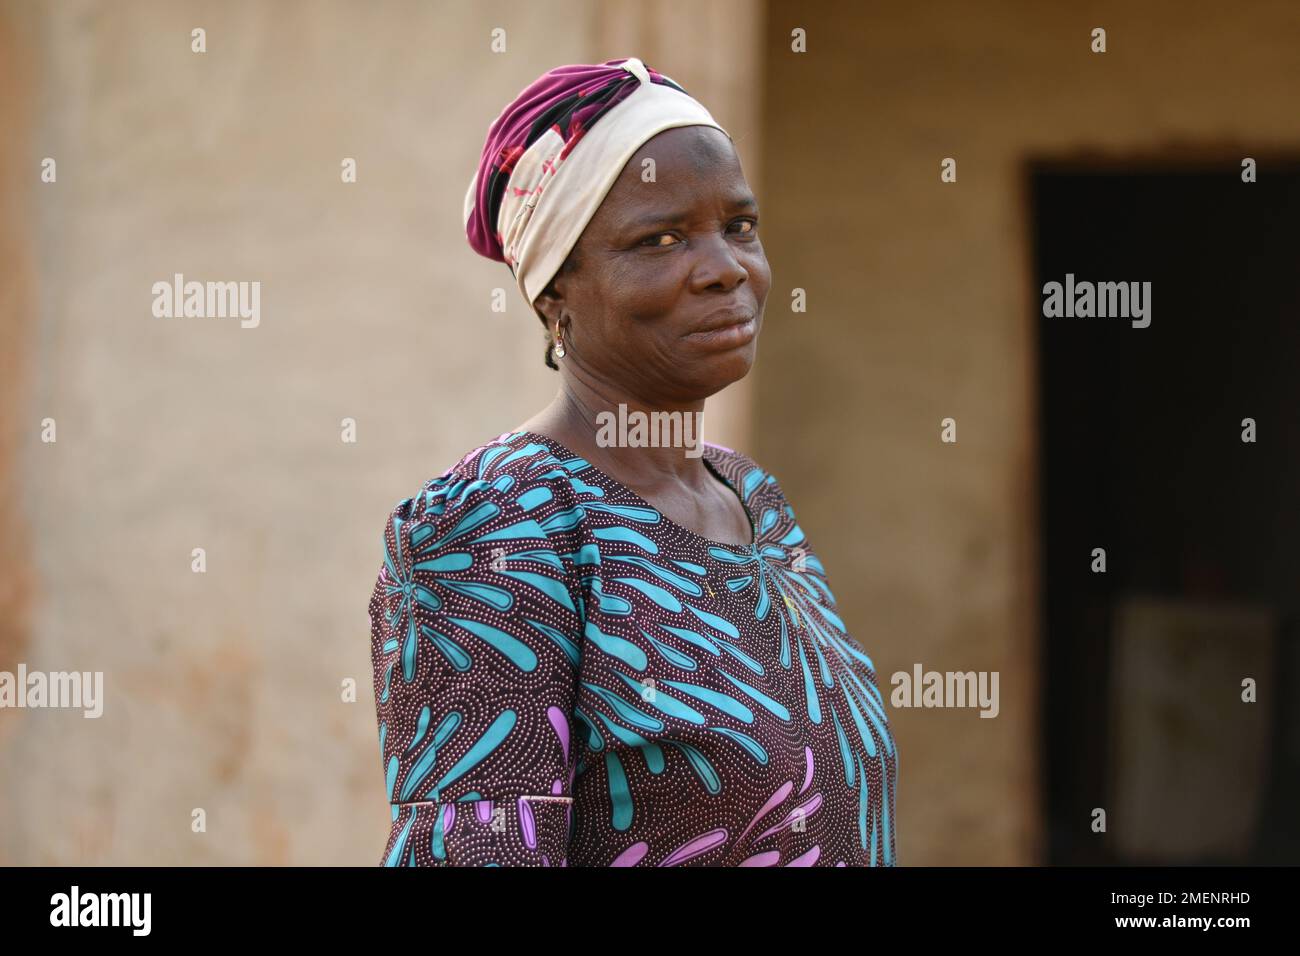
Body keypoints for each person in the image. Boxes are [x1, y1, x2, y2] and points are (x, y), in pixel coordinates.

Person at [367, 57, 898, 866]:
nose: (726, 268)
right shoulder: (499, 525)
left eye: (740, 226)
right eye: (660, 239)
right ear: (555, 295)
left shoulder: (752, 502)